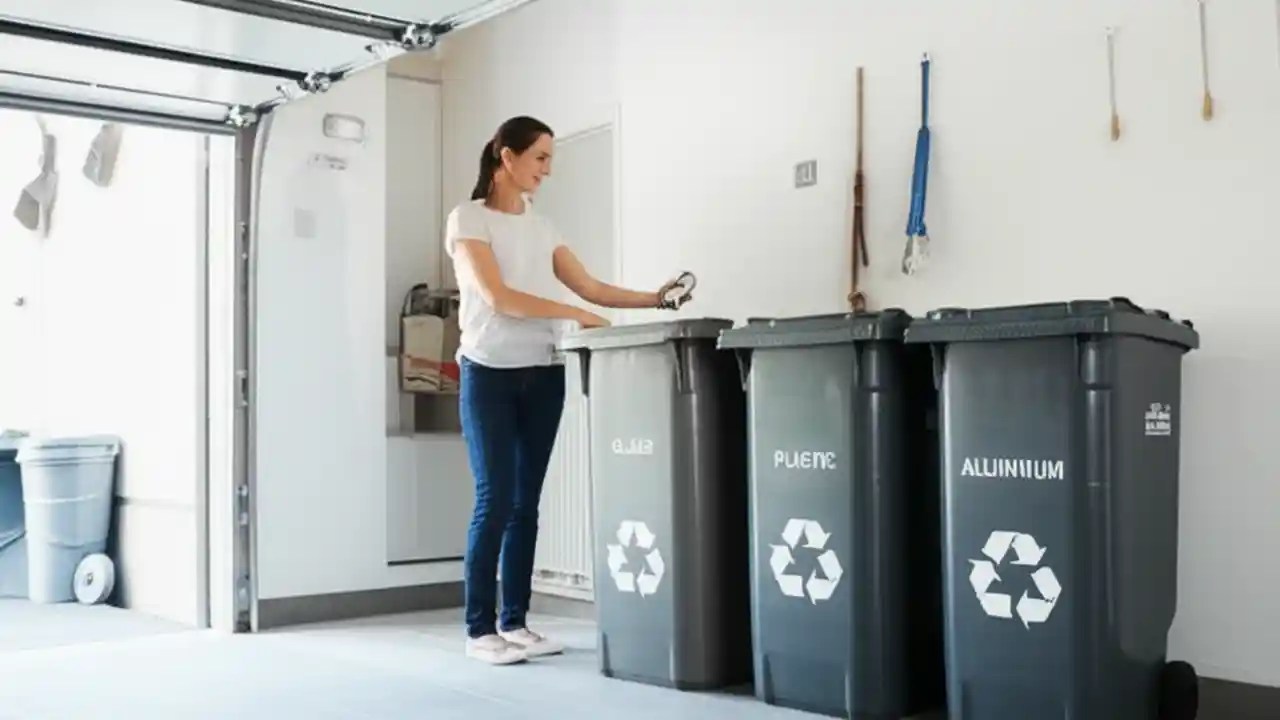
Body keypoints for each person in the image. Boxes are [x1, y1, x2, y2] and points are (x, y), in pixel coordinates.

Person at [443, 116, 691, 666]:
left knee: (526, 503)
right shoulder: (468, 220)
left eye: (550, 159)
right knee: (496, 498)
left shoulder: (543, 226)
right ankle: (480, 628)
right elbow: (499, 296)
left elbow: (591, 286)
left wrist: (656, 298)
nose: (546, 170)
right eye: (540, 158)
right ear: (506, 157)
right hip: (487, 372)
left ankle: (516, 622)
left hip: (542, 371)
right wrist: (576, 314)